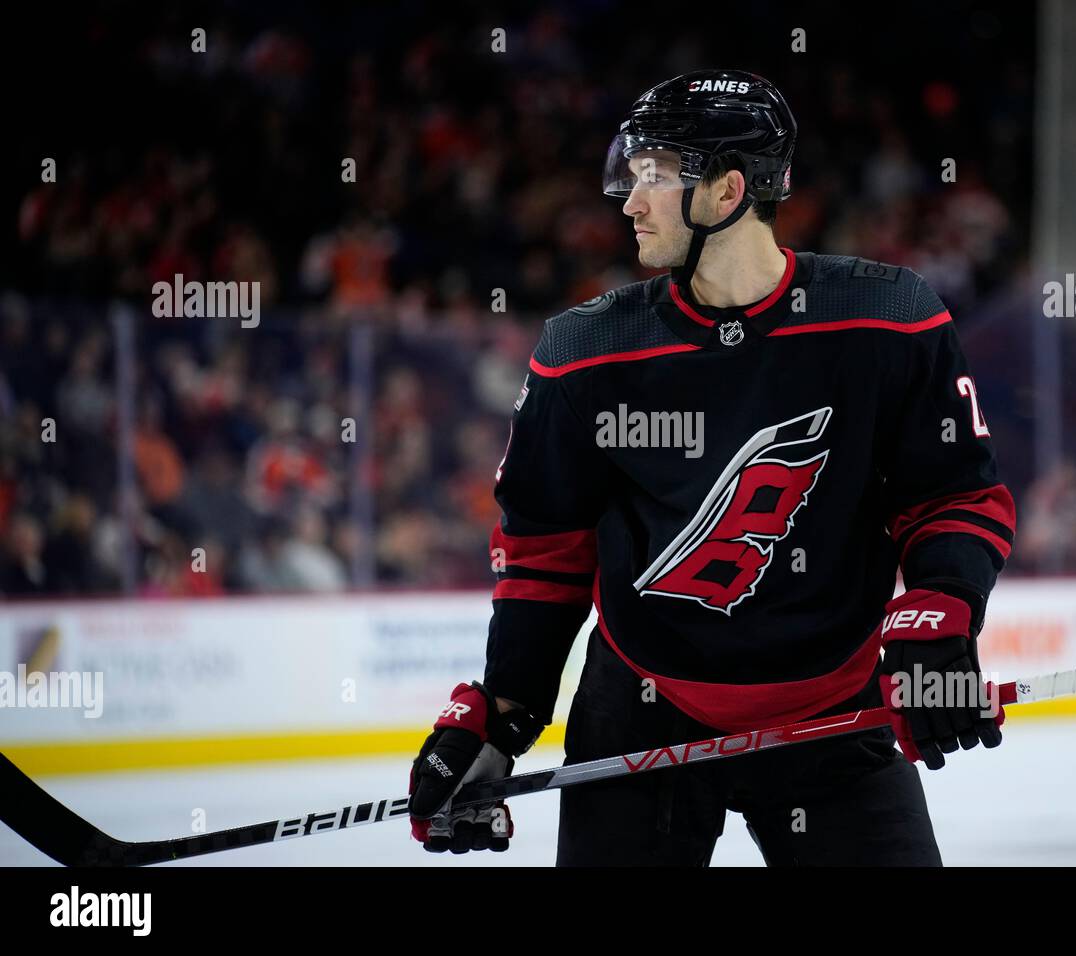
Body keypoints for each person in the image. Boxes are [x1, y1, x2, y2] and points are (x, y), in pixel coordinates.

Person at [408, 70, 1016, 865]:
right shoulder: (586, 353)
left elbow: (954, 496)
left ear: (727, 191)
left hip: (832, 716)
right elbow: (546, 555)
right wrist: (503, 715)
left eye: (653, 175)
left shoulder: (889, 321)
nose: (629, 199)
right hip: (641, 711)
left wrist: (940, 608)